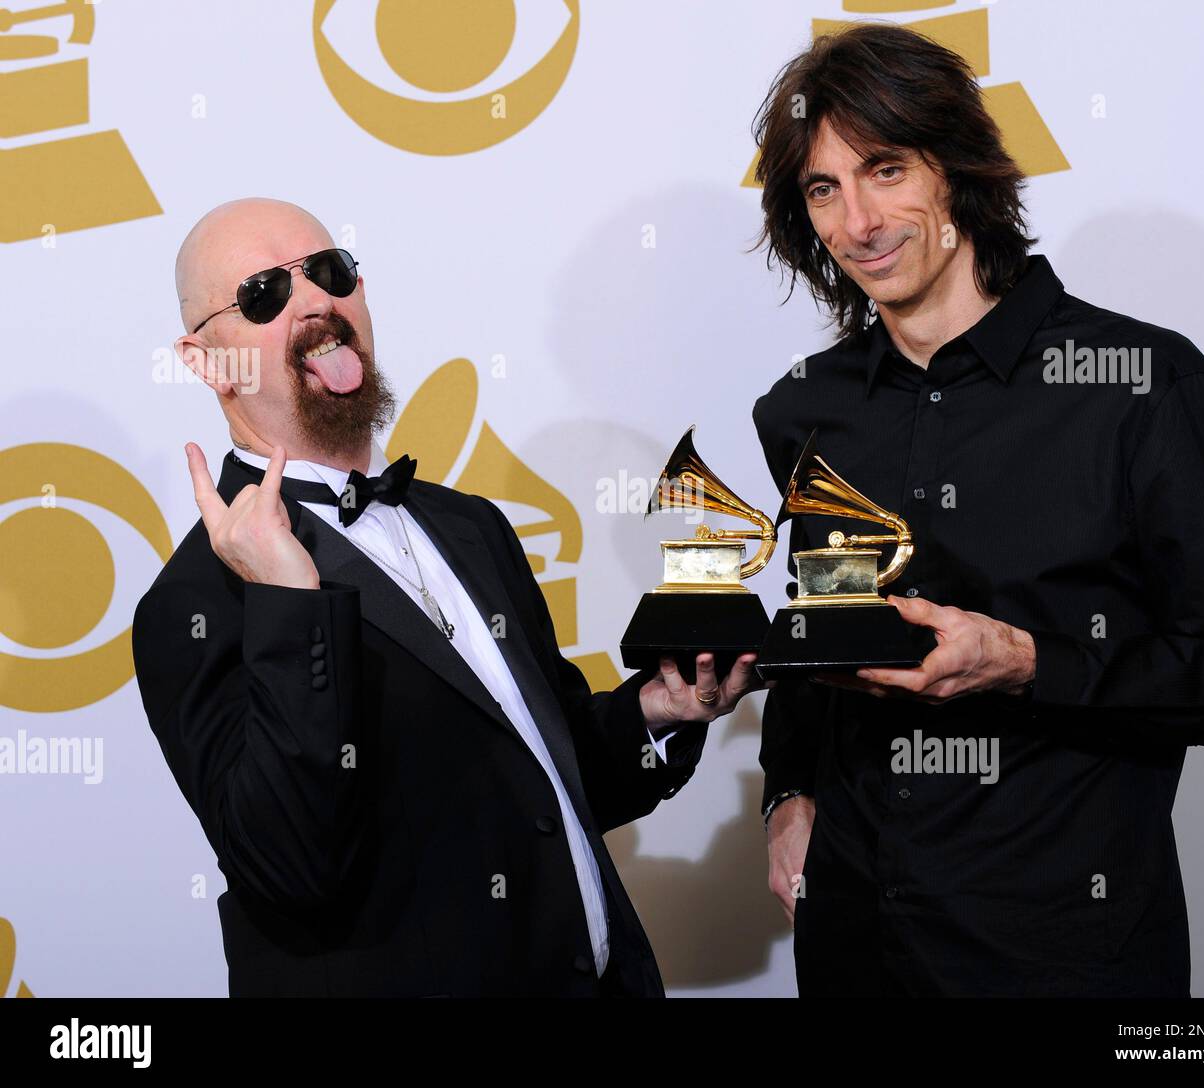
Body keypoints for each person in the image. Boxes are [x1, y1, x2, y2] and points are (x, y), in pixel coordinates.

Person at [749, 24, 1204, 996]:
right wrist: (787, 789)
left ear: (957, 170)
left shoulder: (1140, 385)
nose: (858, 221)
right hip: (856, 946)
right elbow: (825, 631)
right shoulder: (802, 408)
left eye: (884, 169)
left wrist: (1033, 662)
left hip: (1061, 958)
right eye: (822, 188)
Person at [133, 198, 759, 997]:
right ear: (207, 359)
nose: (316, 302)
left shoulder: (471, 527)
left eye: (329, 272)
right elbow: (291, 867)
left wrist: (657, 713)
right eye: (263, 293)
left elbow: (548, 779)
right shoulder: (194, 602)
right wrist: (289, 604)